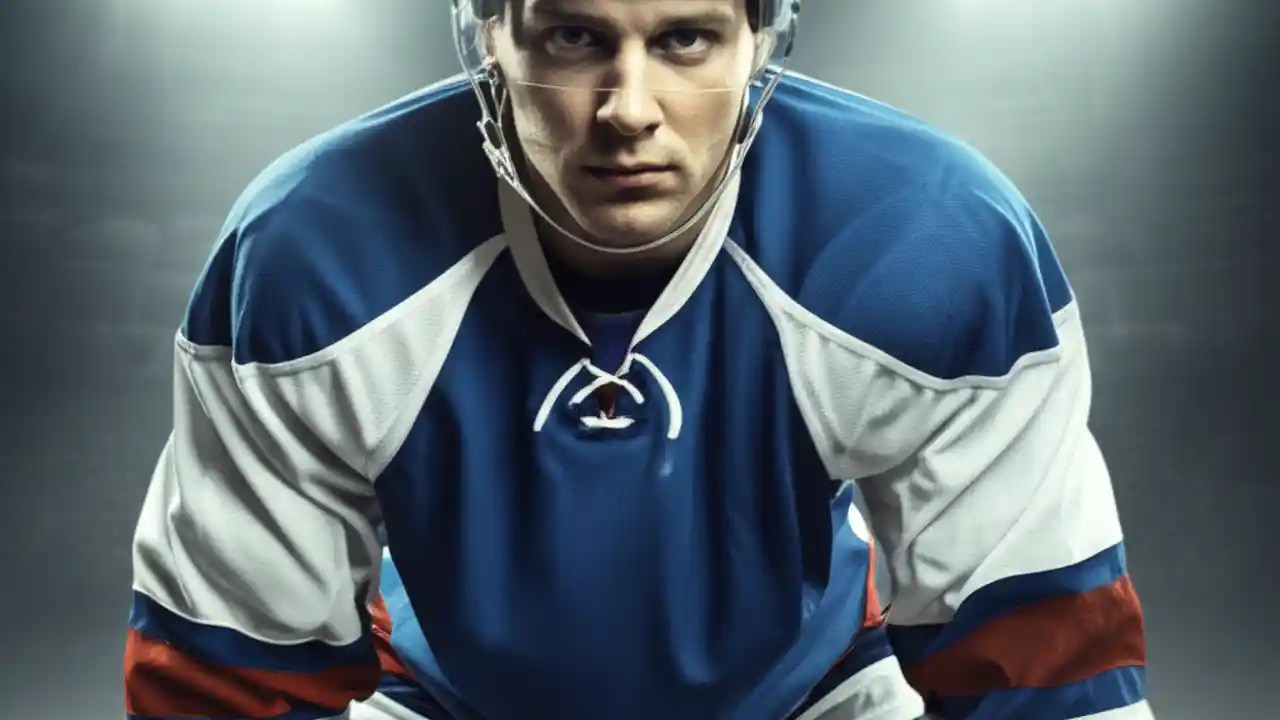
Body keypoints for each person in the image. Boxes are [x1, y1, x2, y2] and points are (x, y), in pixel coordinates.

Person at [122, 1, 1153, 718]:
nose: (627, 108)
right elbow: (230, 682)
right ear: (486, 34)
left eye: (685, 39)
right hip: (441, 703)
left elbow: (1040, 668)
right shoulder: (309, 256)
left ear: (760, 43)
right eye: (572, 36)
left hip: (816, 699)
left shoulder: (930, 241)